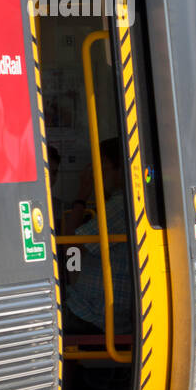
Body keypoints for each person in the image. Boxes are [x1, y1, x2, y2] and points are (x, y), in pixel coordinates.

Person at [64, 137, 135, 338]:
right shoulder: (121, 204)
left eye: (102, 165)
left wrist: (81, 196)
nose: (99, 172)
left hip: (91, 313)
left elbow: (71, 244)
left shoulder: (120, 205)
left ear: (119, 169)